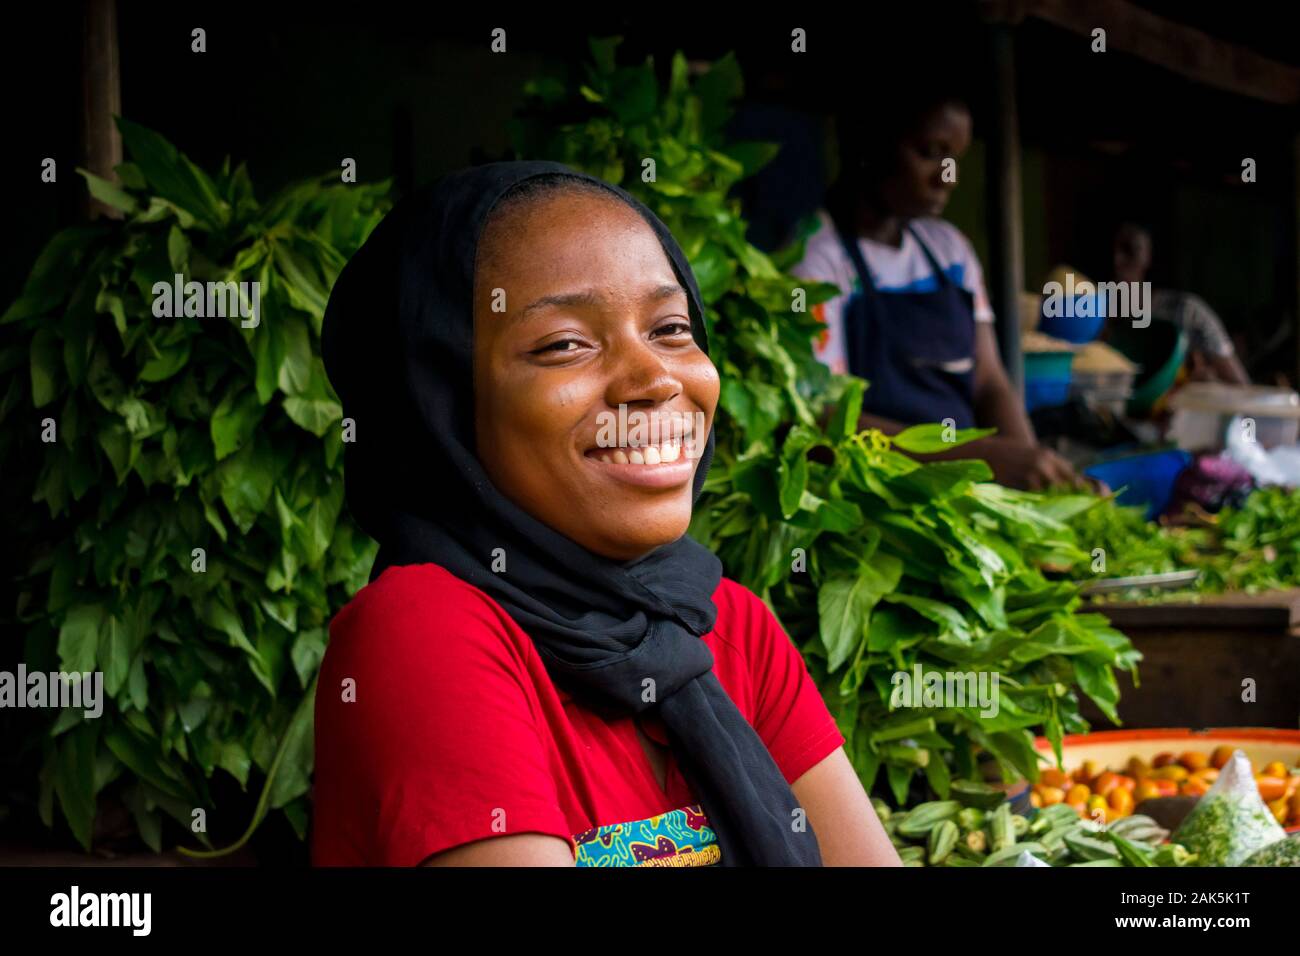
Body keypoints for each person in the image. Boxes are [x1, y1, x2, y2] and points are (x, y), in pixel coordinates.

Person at [312, 161, 900, 867]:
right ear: (445, 404)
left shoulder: (730, 625)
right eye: (565, 343)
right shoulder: (424, 631)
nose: (654, 379)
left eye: (671, 328)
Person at [794, 88, 1087, 491]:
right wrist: (984, 457)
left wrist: (1034, 475)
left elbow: (989, 381)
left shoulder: (949, 251)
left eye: (956, 159)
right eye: (930, 152)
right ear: (871, 142)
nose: (948, 177)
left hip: (968, 489)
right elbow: (822, 420)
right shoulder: (817, 261)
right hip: (874, 499)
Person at [1112, 222, 1250, 385]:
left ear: (1147, 256)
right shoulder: (1095, 317)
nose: (1117, 261)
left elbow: (1240, 385)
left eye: (1129, 250)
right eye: (1110, 251)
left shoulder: (1187, 312)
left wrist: (1208, 383)